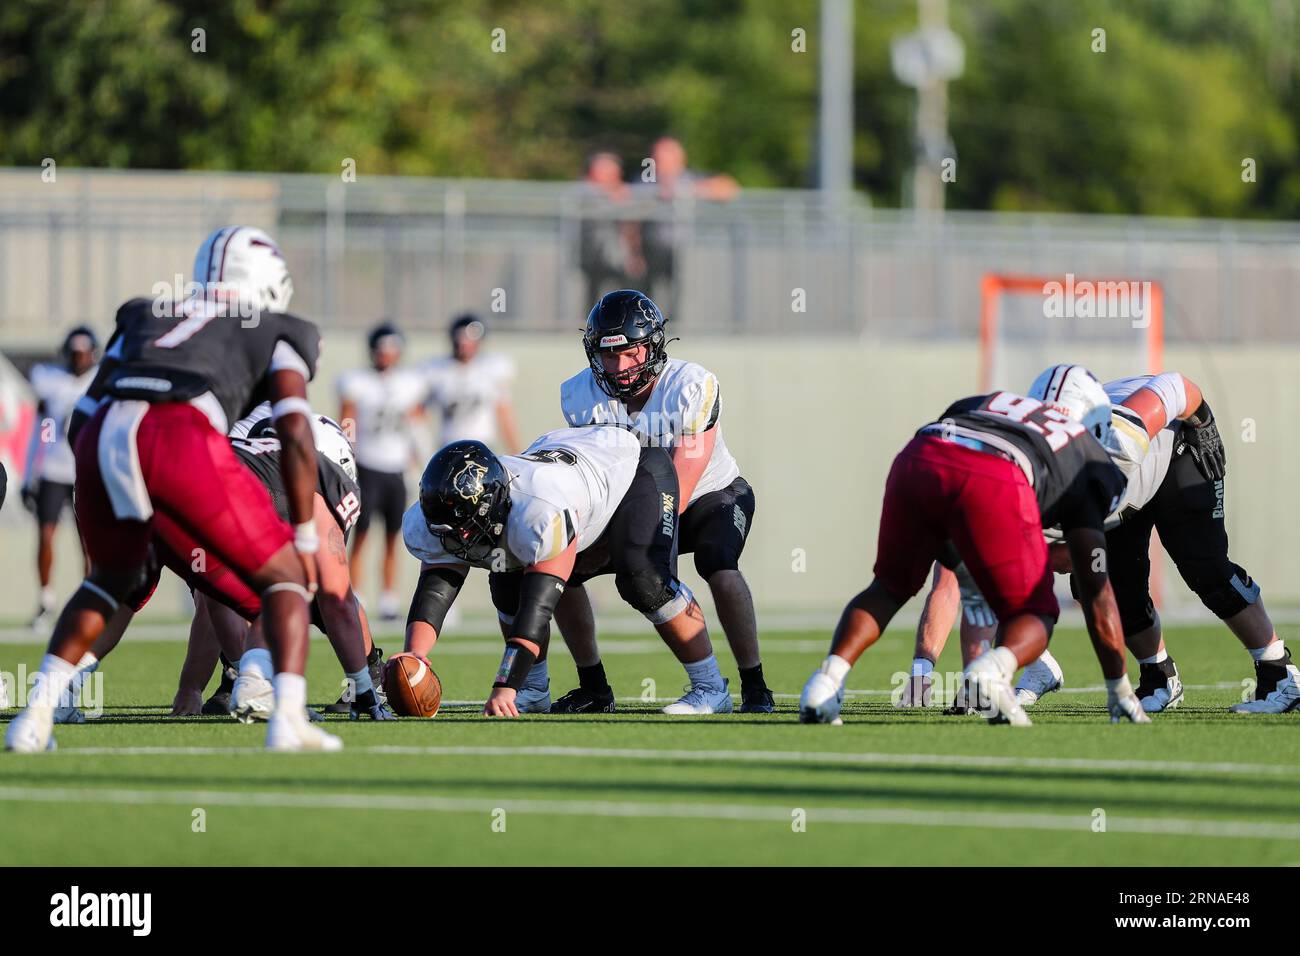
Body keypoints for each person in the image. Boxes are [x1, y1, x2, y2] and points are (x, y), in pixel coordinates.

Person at [5, 224, 340, 753]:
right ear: (271, 279)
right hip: (180, 431)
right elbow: (296, 429)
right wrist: (301, 529)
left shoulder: (146, 313)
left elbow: (84, 413)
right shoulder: (280, 327)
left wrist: (102, 488)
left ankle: (34, 717)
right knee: (290, 576)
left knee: (107, 582)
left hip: (100, 441)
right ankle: (287, 720)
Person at [907, 368, 1297, 716]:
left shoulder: (1119, 438)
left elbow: (1176, 385)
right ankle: (1158, 677)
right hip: (1113, 497)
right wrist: (942, 671)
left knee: (1205, 567)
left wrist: (1204, 420)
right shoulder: (1019, 474)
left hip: (1174, 451)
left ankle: (1278, 673)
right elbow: (957, 580)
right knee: (1108, 582)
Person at [799, 368, 1144, 727]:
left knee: (887, 589)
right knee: (1036, 612)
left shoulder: (993, 401)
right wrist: (1119, 689)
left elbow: (952, 446)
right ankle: (994, 672)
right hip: (994, 476)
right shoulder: (1088, 457)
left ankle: (824, 684)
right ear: (1097, 420)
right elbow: (1095, 589)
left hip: (918, 458)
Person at [403, 426, 733, 716]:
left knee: (643, 579)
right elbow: (436, 588)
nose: (457, 538)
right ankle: (544, 690)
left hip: (633, 469)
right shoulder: (439, 516)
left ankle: (711, 686)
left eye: (463, 527)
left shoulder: (540, 510)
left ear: (493, 502)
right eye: (449, 529)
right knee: (506, 582)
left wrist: (504, 685)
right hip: (573, 471)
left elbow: (538, 607)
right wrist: (415, 656)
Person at [553, 290, 771, 712]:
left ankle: (754, 684)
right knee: (562, 566)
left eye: (630, 353)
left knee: (716, 563)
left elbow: (681, 486)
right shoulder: (580, 396)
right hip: (632, 503)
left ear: (651, 345)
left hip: (712, 495)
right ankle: (594, 687)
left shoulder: (690, 386)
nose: (619, 367)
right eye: (608, 355)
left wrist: (648, 565)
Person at [338, 322, 430, 621]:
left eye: (391, 350)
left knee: (393, 535)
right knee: (361, 533)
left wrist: (422, 460)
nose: (386, 355)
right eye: (382, 350)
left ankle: (389, 597)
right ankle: (356, 592)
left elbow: (417, 425)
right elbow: (347, 422)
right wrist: (346, 458)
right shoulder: (357, 382)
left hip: (396, 469)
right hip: (366, 467)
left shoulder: (410, 383)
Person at [20, 327, 99, 632]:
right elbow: (43, 429)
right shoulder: (50, 380)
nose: (79, 359)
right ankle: (45, 602)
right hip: (54, 469)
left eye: (84, 353)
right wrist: (30, 474)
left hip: (86, 471)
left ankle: (91, 604)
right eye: (75, 353)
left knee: (89, 542)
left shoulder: (100, 378)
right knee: (45, 534)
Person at [638, 137, 739, 316]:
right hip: (651, 251)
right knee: (646, 299)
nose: (658, 162)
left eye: (663, 158)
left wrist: (688, 191)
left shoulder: (691, 179)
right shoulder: (645, 182)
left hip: (686, 253)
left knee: (682, 296)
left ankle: (679, 331)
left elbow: (730, 188)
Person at [424, 313, 520, 451]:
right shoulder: (438, 370)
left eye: (470, 339)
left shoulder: (491, 369)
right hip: (448, 447)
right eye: (461, 339)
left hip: (482, 447)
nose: (465, 345)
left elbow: (503, 411)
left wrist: (516, 451)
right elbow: (418, 413)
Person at [577, 151, 645, 305]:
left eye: (612, 173)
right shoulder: (583, 192)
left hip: (618, 259)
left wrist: (635, 256)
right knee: (591, 297)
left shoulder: (626, 196)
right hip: (589, 258)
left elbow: (631, 229)